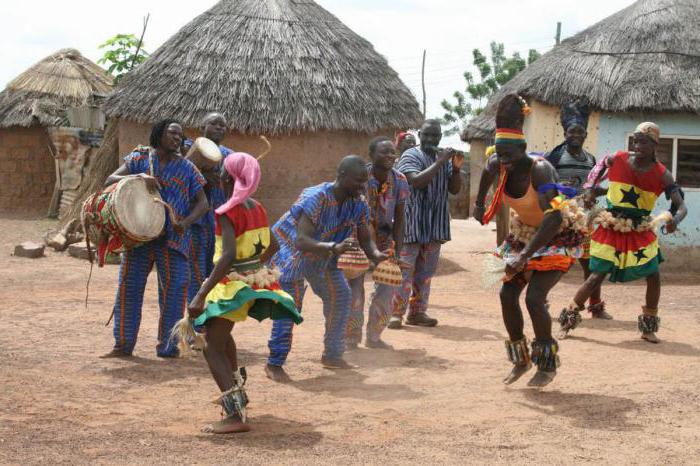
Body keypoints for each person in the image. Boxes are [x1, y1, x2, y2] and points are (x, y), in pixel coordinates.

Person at [173, 153, 302, 434]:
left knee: (210, 345)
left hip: (233, 284)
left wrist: (201, 295)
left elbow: (227, 255)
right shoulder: (257, 207)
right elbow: (274, 245)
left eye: (223, 172)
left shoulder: (225, 211)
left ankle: (234, 415)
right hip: (252, 280)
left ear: (228, 178)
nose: (220, 176)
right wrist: (254, 267)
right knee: (221, 337)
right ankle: (238, 398)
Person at [473, 94, 585, 387]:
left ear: (523, 148)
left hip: (555, 235)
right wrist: (478, 204)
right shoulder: (498, 162)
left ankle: (546, 365)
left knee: (535, 299)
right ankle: (519, 359)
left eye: (509, 153)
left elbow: (554, 218)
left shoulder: (540, 169)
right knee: (507, 295)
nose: (504, 160)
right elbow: (487, 174)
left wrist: (524, 257)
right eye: (499, 153)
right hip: (524, 234)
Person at [558, 122, 687, 343]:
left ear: (655, 144)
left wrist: (674, 220)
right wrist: (589, 189)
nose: (638, 145)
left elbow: (682, 206)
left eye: (643, 142)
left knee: (653, 275)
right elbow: (599, 168)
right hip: (611, 227)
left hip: (639, 230)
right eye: (635, 141)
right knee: (596, 275)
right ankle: (568, 321)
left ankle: (648, 326)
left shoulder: (662, 174)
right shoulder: (618, 158)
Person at [265, 155, 388, 381]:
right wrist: (333, 246)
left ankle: (332, 355)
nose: (363, 187)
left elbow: (365, 238)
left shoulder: (358, 202)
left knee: (340, 296)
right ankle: (275, 363)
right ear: (341, 176)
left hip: (327, 254)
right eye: (358, 181)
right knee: (289, 307)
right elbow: (301, 240)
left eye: (365, 181)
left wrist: (379, 256)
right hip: (292, 254)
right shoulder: (316, 197)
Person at [102, 120, 209, 358]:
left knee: (174, 293)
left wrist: (186, 222)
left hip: (173, 240)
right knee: (129, 290)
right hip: (138, 237)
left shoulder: (188, 168)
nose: (177, 139)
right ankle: (123, 345)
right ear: (159, 134)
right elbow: (109, 180)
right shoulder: (139, 159)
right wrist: (139, 177)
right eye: (172, 133)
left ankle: (168, 347)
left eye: (180, 136)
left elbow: (203, 204)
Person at [388, 119, 463, 329]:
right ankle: (396, 313)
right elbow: (415, 182)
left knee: (426, 273)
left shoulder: (444, 158)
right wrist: (439, 162)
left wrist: (455, 170)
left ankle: (418, 312)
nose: (431, 139)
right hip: (412, 223)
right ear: (420, 135)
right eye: (427, 135)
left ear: (440, 136)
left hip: (435, 224)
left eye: (435, 135)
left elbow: (455, 190)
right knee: (404, 270)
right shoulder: (411, 155)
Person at [544, 103, 610, 319]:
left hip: (586, 221)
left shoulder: (591, 160)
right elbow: (545, 185)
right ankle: (540, 302)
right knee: (551, 264)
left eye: (580, 132)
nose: (575, 135)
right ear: (565, 133)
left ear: (586, 135)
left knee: (592, 265)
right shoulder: (553, 158)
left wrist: (604, 192)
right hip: (561, 220)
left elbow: (591, 188)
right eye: (571, 131)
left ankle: (595, 307)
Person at [345, 137, 410, 350]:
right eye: (384, 152)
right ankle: (351, 338)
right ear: (371, 155)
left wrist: (397, 251)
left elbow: (400, 219)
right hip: (356, 238)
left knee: (388, 286)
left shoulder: (400, 180)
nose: (390, 156)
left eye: (392, 152)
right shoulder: (360, 177)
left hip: (384, 239)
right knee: (355, 289)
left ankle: (374, 337)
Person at [183, 112, 234, 304]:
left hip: (220, 223)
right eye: (214, 123)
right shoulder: (188, 149)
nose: (220, 127)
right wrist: (202, 175)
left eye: (223, 125)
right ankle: (194, 324)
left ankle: (208, 322)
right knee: (195, 272)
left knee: (215, 272)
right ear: (202, 127)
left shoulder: (229, 156)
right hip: (195, 222)